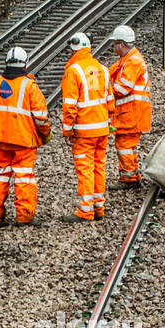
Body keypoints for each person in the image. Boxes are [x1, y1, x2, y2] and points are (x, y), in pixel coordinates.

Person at [0, 46, 51, 227]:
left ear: (6, 63)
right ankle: (24, 216)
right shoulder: (29, 86)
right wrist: (45, 135)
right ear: (25, 64)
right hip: (23, 141)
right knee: (24, 177)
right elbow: (41, 119)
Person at [61, 32, 114, 222]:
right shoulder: (103, 69)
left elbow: (69, 105)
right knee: (99, 166)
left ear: (73, 49)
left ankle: (86, 211)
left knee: (85, 168)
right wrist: (108, 122)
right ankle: (99, 207)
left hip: (84, 131)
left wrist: (67, 130)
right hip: (102, 130)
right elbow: (110, 101)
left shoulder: (73, 71)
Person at [108, 25, 151, 186]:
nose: (113, 47)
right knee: (126, 145)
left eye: (115, 43)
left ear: (122, 44)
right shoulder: (128, 60)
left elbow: (122, 88)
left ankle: (129, 178)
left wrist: (106, 91)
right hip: (130, 112)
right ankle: (132, 175)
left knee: (124, 145)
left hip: (132, 112)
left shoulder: (132, 62)